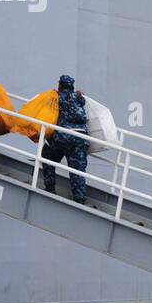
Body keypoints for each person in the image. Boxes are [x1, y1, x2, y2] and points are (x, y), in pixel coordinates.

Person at [39, 75, 89, 205]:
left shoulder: (58, 97)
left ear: (61, 85)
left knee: (47, 155)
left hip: (64, 136)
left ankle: (50, 187)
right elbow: (82, 104)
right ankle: (80, 198)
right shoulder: (79, 98)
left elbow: (49, 111)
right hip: (81, 138)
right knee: (77, 169)